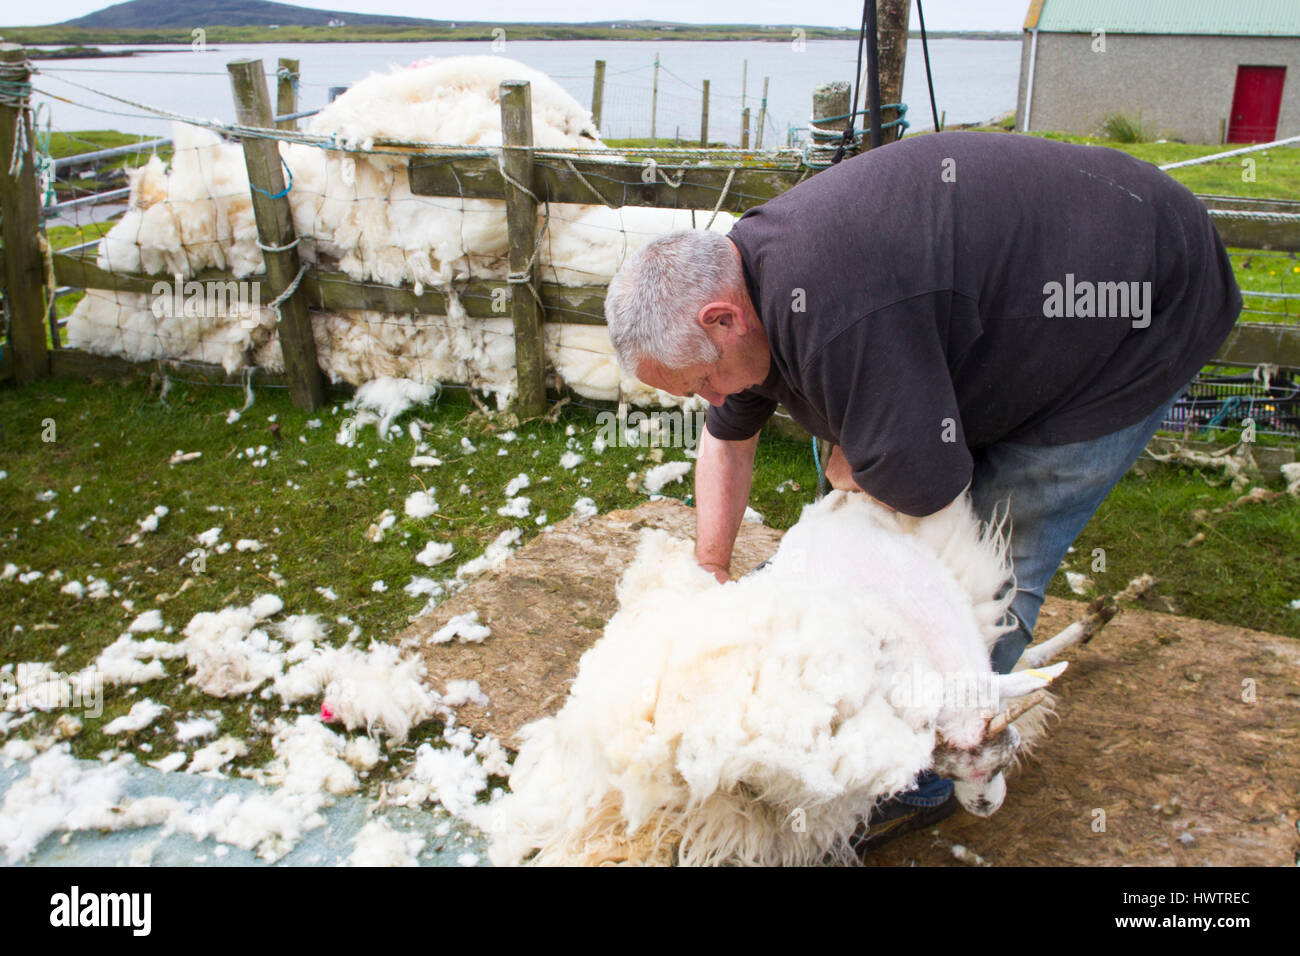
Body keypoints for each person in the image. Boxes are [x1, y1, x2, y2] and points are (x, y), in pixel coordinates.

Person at [602, 130, 1243, 851]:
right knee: (874, 498)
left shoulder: (837, 313)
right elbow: (728, 434)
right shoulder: (745, 298)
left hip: (1140, 302)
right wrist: (710, 572)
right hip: (1008, 294)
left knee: (996, 549)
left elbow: (925, 494)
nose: (710, 396)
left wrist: (864, 466)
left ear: (723, 318)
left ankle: (935, 763)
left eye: (702, 380)